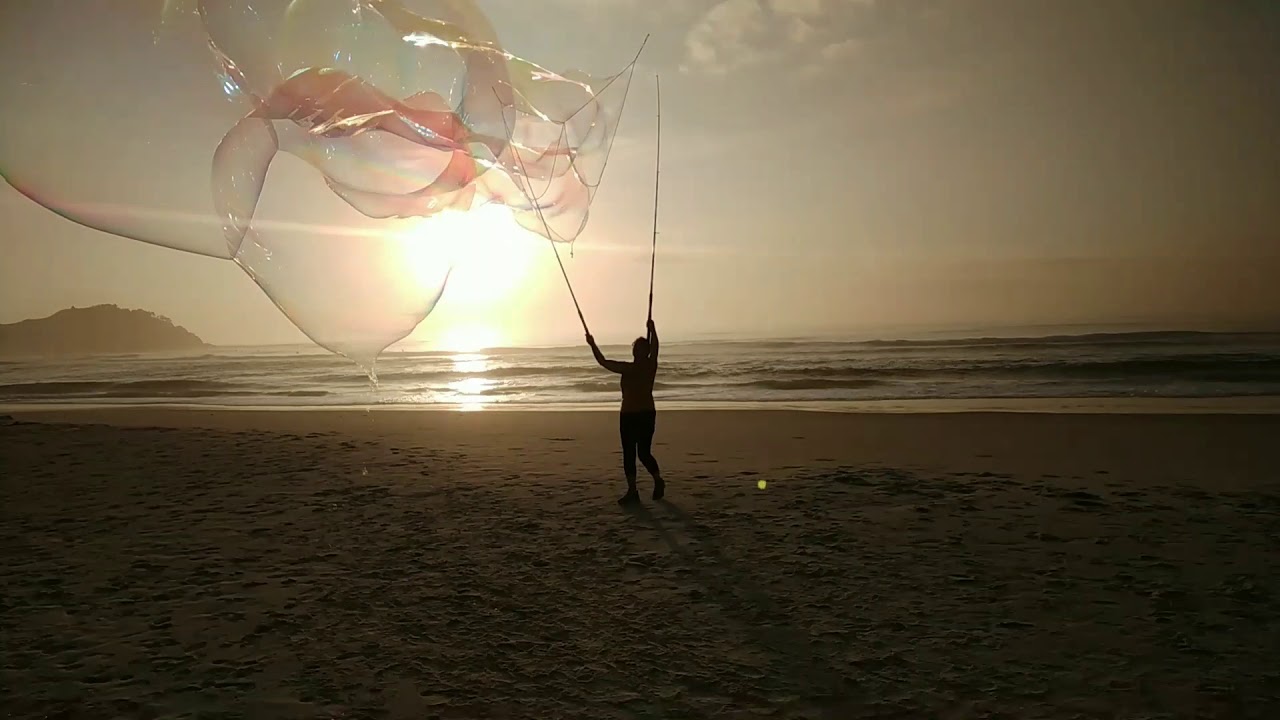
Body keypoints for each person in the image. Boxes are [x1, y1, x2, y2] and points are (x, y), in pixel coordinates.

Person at [586, 318, 664, 505]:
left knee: (643, 453)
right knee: (629, 453)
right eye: (636, 349)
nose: (637, 352)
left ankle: (657, 479)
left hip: (644, 414)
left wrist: (653, 330)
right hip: (629, 414)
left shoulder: (649, 367)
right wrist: (592, 344)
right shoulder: (628, 368)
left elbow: (656, 348)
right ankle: (632, 490)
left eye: (640, 349)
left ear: (644, 352)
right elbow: (603, 362)